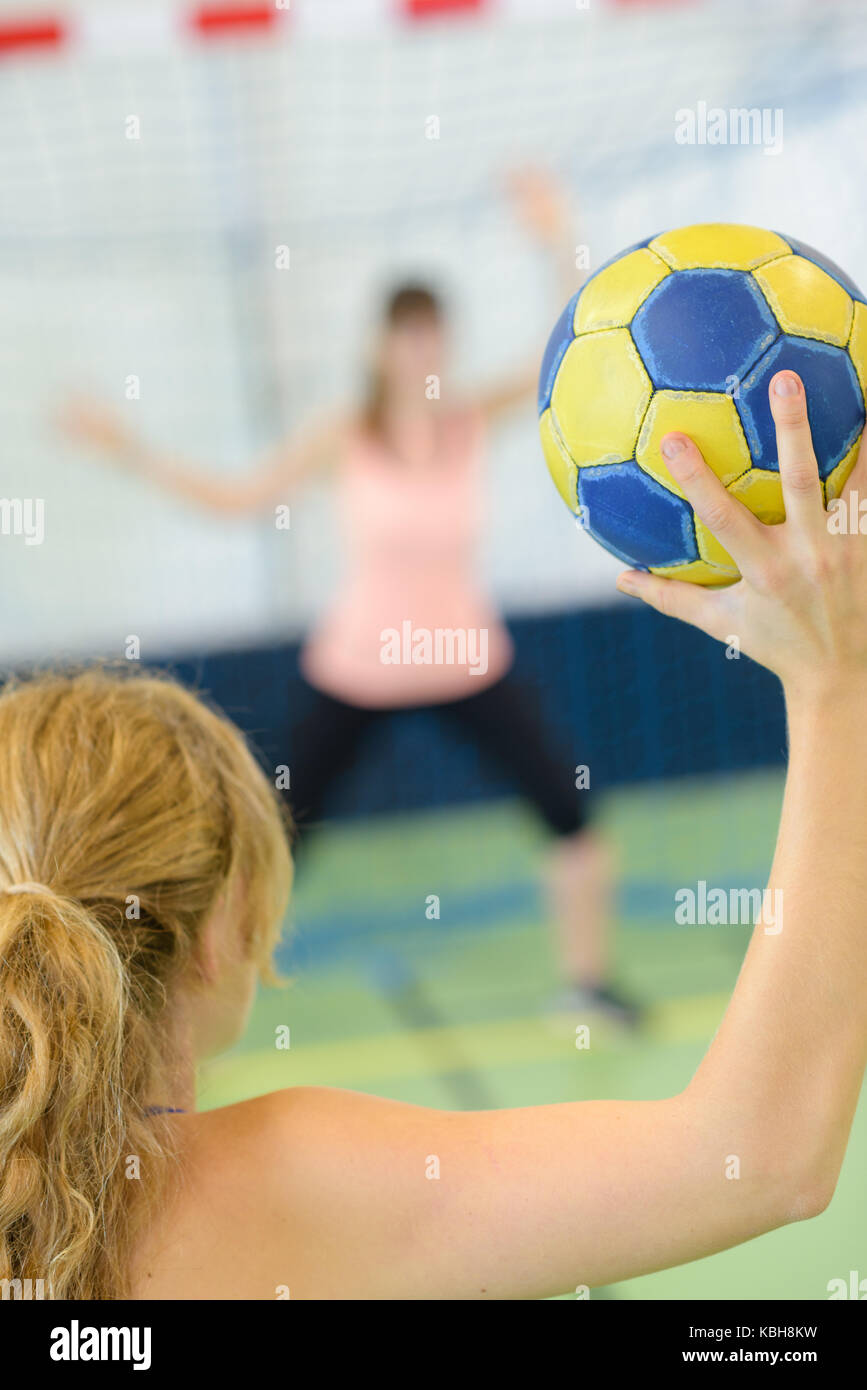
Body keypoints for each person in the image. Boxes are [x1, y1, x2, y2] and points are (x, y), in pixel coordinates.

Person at [3, 370, 867, 1300]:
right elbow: (758, 1157)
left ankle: (589, 980)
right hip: (366, 664)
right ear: (221, 934)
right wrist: (835, 686)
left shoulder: (454, 421)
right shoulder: (295, 1186)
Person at [60, 171, 629, 1023]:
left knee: (570, 816)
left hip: (466, 660)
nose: (420, 353)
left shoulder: (472, 416)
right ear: (380, 347)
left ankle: (588, 988)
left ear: (445, 346)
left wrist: (556, 233)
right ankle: (181, 1007)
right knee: (262, 845)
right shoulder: (343, 434)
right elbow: (235, 497)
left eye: (433, 337)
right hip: (360, 665)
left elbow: (569, 345)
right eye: (406, 338)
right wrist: (128, 450)